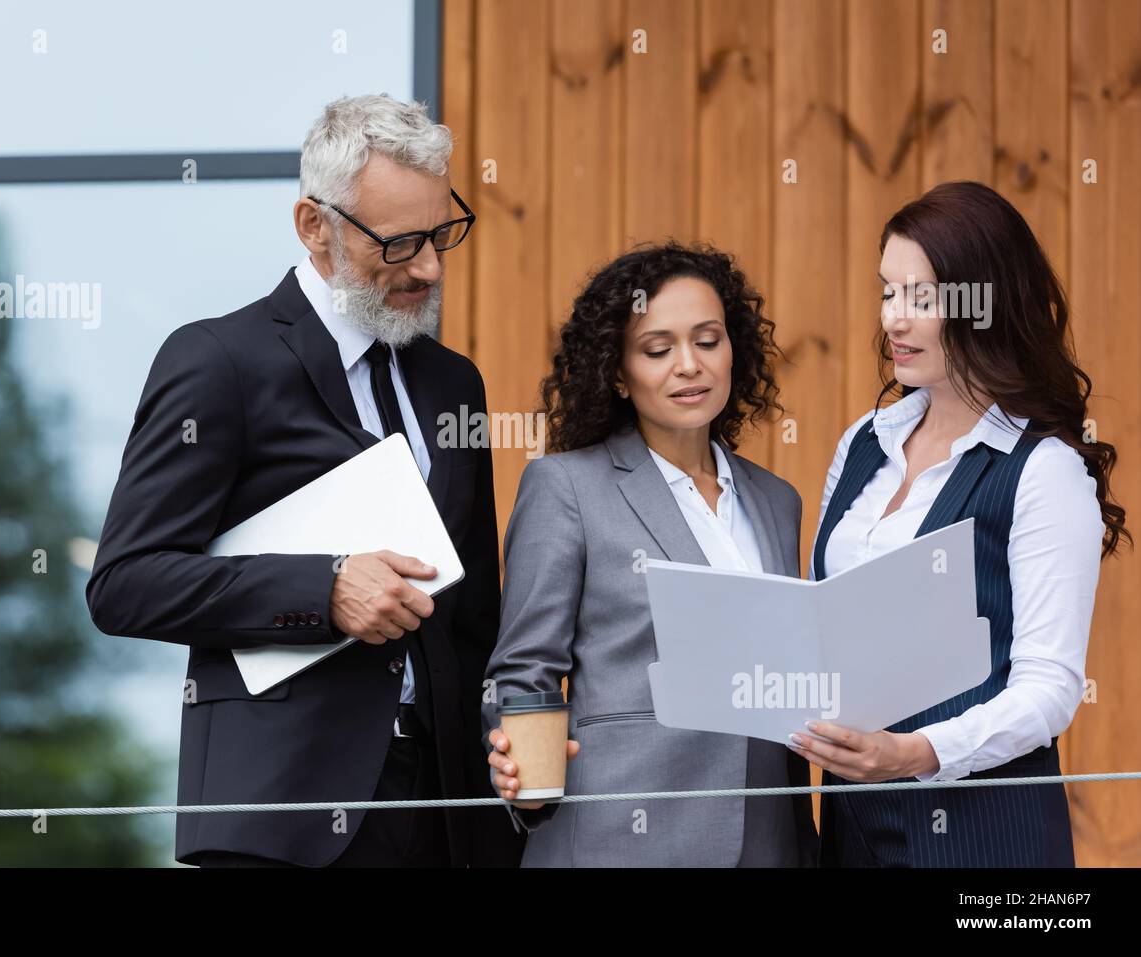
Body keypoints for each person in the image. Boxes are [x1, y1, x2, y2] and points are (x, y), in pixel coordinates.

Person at [86, 94, 522, 867]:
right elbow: (124, 583)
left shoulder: (456, 384)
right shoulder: (218, 361)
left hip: (446, 815)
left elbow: (474, 619)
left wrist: (513, 744)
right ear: (314, 227)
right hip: (282, 818)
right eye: (401, 243)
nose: (428, 266)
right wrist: (322, 591)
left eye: (442, 233)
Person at [790, 180, 1129, 867]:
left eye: (922, 297)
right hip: (855, 828)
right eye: (888, 291)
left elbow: (1049, 690)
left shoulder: (1043, 471)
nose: (893, 318)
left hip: (985, 836)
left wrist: (914, 752)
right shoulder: (863, 443)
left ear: (985, 305)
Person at [482, 242, 820, 867]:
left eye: (708, 340)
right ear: (617, 372)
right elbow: (522, 669)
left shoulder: (778, 501)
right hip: (617, 837)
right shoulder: (567, 488)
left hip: (768, 841)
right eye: (658, 349)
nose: (688, 366)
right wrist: (527, 783)